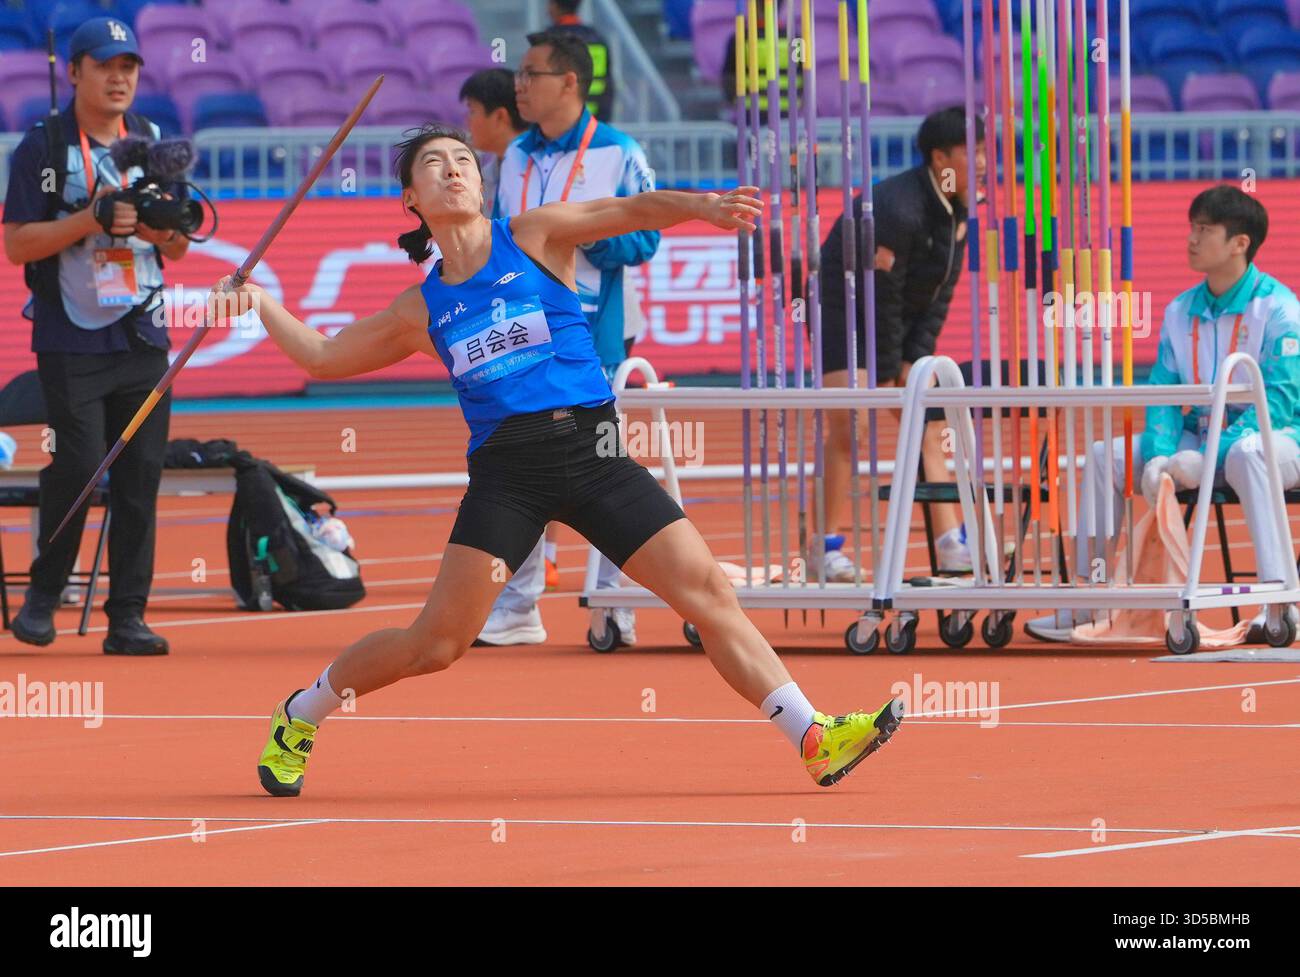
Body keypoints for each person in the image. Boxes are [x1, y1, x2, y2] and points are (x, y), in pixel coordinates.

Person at [203, 124, 904, 796]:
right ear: (411, 199)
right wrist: (260, 300)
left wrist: (704, 207)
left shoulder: (535, 235)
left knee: (709, 595)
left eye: (464, 161)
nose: (453, 170)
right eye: (434, 164)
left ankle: (811, 734)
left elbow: (626, 207)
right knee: (436, 644)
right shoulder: (423, 309)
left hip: (597, 452)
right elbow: (323, 356)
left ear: (482, 183)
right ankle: (301, 712)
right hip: (509, 474)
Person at [1026, 186, 1300, 643]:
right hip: (1197, 440)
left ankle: (1279, 604)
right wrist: (1159, 455)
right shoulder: (1179, 311)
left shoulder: (1281, 311)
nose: (1191, 239)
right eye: (1191, 228)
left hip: (1278, 439)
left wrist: (1210, 456)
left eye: (1205, 230)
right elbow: (1165, 395)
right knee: (1103, 455)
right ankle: (1083, 602)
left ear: (1240, 243)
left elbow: (1280, 403)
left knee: (1249, 454)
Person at [2, 17, 189, 655]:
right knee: (80, 466)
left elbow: (183, 246)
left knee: (140, 476)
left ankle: (128, 617)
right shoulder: (45, 146)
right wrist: (90, 217)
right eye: (105, 65)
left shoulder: (155, 140)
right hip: (69, 337)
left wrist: (157, 229)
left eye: (128, 67)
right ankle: (45, 595)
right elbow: (18, 243)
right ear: (74, 71)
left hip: (142, 333)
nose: (119, 77)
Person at [480, 29, 659, 646]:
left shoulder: (618, 151)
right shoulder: (515, 156)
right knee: (515, 463)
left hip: (593, 335)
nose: (518, 85)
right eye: (519, 75)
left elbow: (648, 235)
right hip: (519, 338)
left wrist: (583, 237)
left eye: (531, 74)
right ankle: (516, 606)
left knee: (604, 467)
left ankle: (614, 601)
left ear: (570, 83)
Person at [816, 107, 986, 581]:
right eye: (972, 153)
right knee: (852, 424)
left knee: (927, 416)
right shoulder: (897, 209)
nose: (983, 162)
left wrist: (915, 359)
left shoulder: (959, 207)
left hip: (897, 324)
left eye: (985, 152)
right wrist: (893, 366)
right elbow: (881, 298)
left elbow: (939, 294)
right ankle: (824, 547)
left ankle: (950, 541)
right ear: (939, 158)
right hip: (845, 313)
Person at [459, 68, 528, 215]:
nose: (467, 121)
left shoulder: (546, 169)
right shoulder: (484, 177)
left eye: (472, 111)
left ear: (499, 116)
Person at [547, 0, 615, 121]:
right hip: (595, 122)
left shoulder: (548, 40)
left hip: (561, 124)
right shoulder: (597, 38)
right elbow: (607, 84)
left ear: (554, 6)